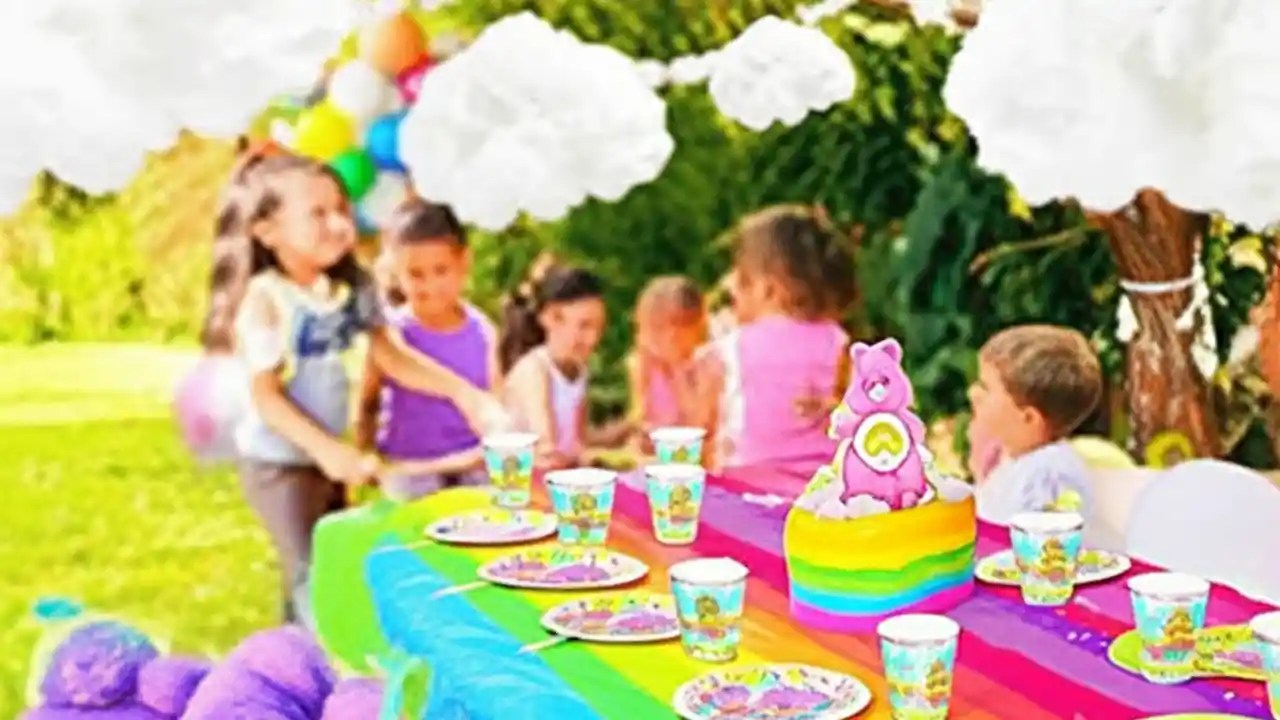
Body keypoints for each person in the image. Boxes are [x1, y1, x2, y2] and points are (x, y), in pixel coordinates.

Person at [200, 151, 502, 623]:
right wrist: (328, 451)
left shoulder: (347, 290)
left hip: (328, 460)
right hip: (278, 464)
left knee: (320, 565)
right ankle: (327, 677)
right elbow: (266, 396)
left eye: (340, 209)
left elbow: (392, 355)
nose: (337, 223)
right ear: (267, 231)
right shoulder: (264, 299)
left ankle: (289, 668)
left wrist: (466, 394)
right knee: (312, 572)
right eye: (317, 213)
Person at [695, 205, 856, 477]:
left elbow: (699, 432)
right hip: (821, 489)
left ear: (768, 289)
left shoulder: (729, 350)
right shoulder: (837, 340)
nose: (727, 284)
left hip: (749, 488)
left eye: (740, 276)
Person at [355, 197, 500, 499]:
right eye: (416, 275)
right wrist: (365, 456)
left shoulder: (483, 331)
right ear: (396, 272)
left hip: (471, 465)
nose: (431, 286)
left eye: (441, 270)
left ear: (464, 262)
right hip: (410, 469)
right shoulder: (392, 334)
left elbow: (493, 404)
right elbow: (367, 402)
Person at [967, 324, 1103, 532]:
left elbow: (1037, 552)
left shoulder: (1047, 477)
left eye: (986, 387)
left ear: (1028, 417)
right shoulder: (1013, 458)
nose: (973, 393)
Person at [500, 265, 607, 469]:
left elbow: (578, 442)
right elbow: (546, 446)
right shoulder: (535, 370)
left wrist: (629, 427)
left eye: (598, 327)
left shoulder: (579, 370)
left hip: (555, 476)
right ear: (551, 318)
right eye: (584, 326)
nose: (592, 339)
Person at [627, 276, 707, 439]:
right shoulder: (643, 366)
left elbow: (699, 424)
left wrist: (676, 370)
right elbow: (640, 417)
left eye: (658, 330)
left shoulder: (703, 364)